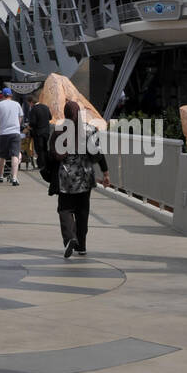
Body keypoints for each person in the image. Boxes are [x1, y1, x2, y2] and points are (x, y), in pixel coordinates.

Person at [50, 99, 111, 258]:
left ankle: (70, 237)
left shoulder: (59, 130)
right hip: (85, 177)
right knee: (82, 211)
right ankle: (82, 246)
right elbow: (98, 154)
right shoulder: (89, 130)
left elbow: (52, 154)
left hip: (66, 178)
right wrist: (105, 173)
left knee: (65, 209)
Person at [0, 87, 24, 186]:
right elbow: (21, 117)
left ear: (2, 96)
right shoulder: (17, 104)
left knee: (2, 155)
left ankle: (0, 175)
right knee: (15, 154)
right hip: (15, 132)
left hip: (3, 133)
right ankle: (14, 178)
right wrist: (16, 125)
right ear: (10, 95)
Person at [27, 94, 53, 174]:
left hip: (38, 133)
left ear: (31, 102)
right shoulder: (45, 107)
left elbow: (33, 122)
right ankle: (47, 164)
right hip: (46, 131)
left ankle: (42, 165)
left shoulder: (34, 109)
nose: (29, 105)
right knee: (45, 148)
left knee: (40, 149)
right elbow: (50, 117)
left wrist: (29, 127)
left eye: (29, 103)